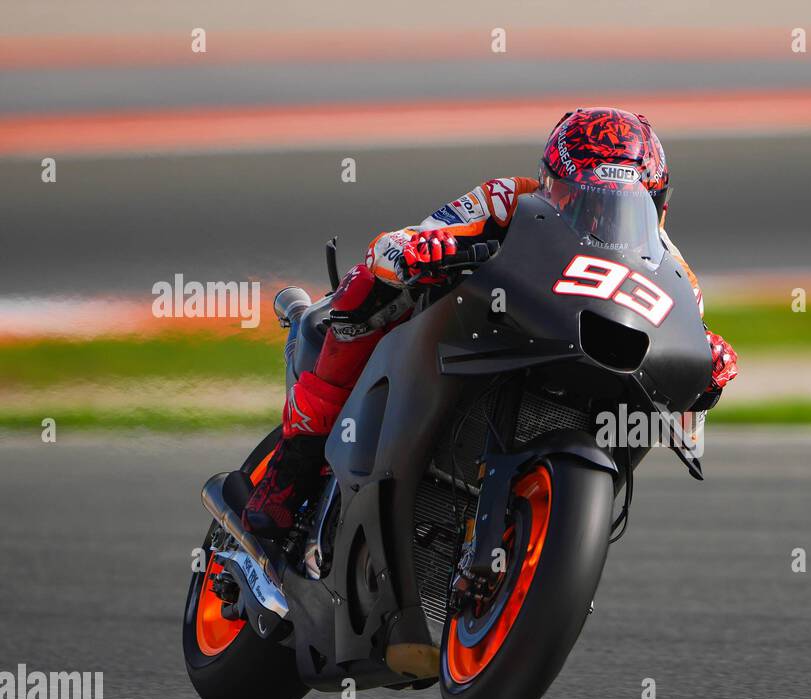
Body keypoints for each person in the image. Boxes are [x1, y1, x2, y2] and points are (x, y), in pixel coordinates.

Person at [243, 106, 739, 539]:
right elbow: (397, 245)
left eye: (621, 209)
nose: (601, 218)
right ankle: (296, 463)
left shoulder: (676, 275)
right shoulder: (507, 200)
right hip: (475, 331)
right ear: (550, 185)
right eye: (584, 200)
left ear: (658, 207)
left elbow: (685, 401)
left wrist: (705, 369)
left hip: (572, 368)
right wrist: (423, 250)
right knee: (366, 292)